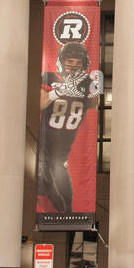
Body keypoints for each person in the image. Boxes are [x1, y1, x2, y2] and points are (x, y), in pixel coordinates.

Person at [38, 42, 103, 213]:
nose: (73, 65)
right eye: (70, 61)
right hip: (47, 136)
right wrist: (59, 91)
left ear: (83, 64)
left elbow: (95, 106)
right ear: (62, 60)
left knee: (56, 171)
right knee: (43, 177)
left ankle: (66, 211)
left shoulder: (87, 82)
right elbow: (41, 103)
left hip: (64, 140)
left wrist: (96, 88)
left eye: (77, 62)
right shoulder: (49, 77)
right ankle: (64, 210)